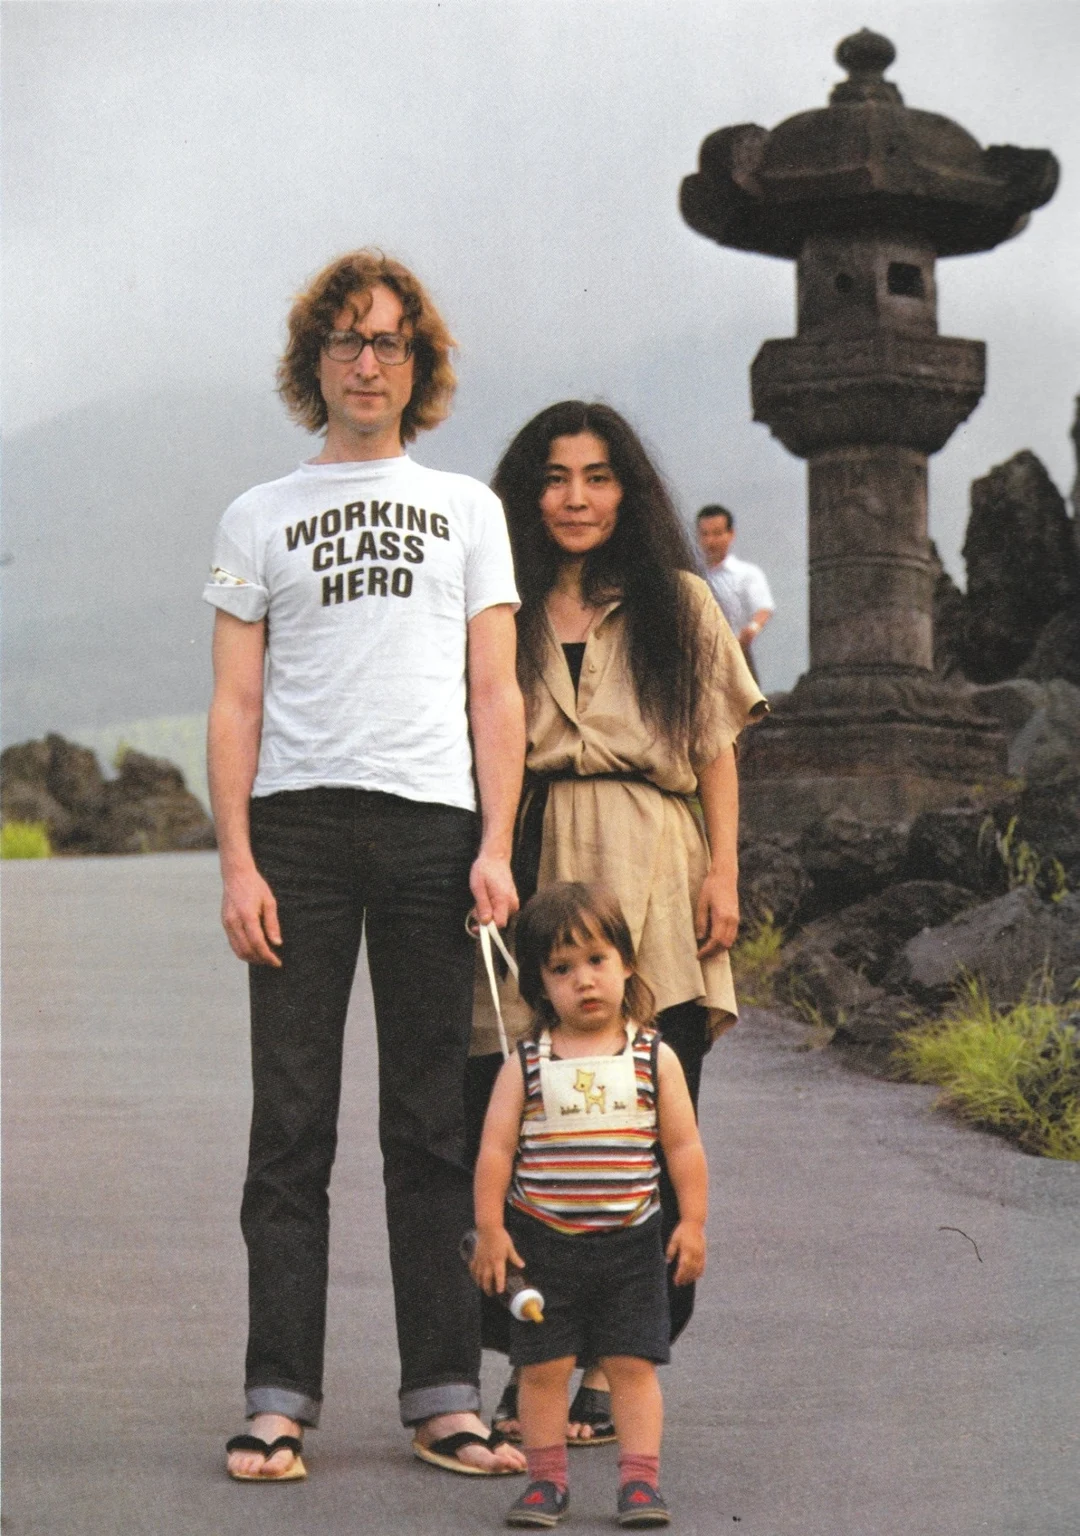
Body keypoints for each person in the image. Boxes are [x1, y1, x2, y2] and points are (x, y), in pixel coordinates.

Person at [205, 250, 527, 1480]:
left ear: (419, 365)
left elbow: (494, 692)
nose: (368, 361)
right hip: (296, 833)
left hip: (431, 834)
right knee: (289, 1125)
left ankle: (446, 1396)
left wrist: (496, 844)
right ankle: (278, 1398)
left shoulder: (468, 511)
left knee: (431, 1124)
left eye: (390, 341)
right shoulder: (258, 513)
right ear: (313, 363)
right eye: (346, 340)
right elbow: (235, 705)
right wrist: (238, 861)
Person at [470, 401, 765, 1444]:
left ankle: (617, 1363)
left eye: (598, 477)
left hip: (653, 866)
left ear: (626, 492)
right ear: (528, 492)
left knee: (641, 1123)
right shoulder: (497, 605)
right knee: (523, 1126)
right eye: (556, 478)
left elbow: (718, 747)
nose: (577, 498)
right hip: (534, 858)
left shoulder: (678, 601)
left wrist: (725, 871)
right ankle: (536, 1361)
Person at [471, 882, 708, 1529]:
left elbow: (683, 1146)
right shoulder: (527, 1062)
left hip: (633, 1244)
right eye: (561, 968)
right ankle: (546, 1482)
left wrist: (692, 1222)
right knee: (542, 1371)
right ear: (539, 985)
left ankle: (639, 1483)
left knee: (631, 1365)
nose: (584, 981)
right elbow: (494, 1151)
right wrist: (491, 1230)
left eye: (597, 960)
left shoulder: (653, 1056)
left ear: (627, 963)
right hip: (543, 1243)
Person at [696, 505, 774, 680]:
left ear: (731, 534)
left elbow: (763, 608)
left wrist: (751, 630)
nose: (710, 541)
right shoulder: (692, 576)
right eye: (705, 534)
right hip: (699, 661)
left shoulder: (746, 573)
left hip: (737, 655)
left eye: (717, 534)